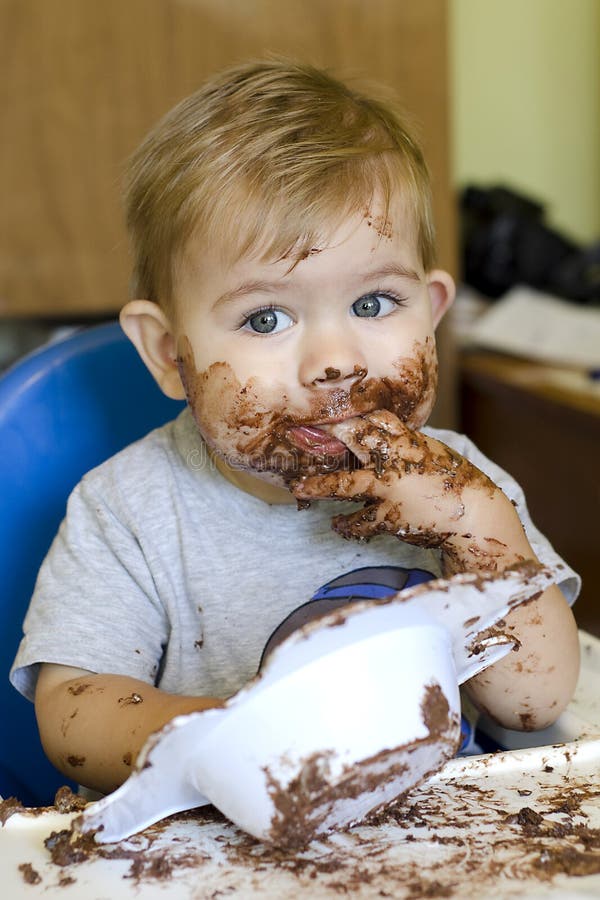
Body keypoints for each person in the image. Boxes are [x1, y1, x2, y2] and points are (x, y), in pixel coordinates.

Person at [10, 60, 580, 796]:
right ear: (169, 354)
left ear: (433, 312)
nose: (335, 363)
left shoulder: (461, 485)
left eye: (374, 304)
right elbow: (73, 711)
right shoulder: (127, 508)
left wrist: (479, 530)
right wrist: (225, 737)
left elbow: (535, 704)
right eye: (266, 318)